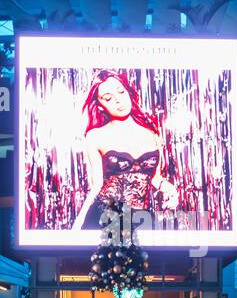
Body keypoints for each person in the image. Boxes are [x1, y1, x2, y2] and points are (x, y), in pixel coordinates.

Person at [75, 70, 178, 230]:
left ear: (128, 92)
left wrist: (169, 188)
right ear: (101, 106)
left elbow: (155, 178)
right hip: (105, 218)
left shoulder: (152, 133)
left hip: (140, 219)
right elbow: (97, 186)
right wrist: (78, 224)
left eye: (121, 92)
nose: (118, 100)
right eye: (108, 98)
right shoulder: (95, 136)